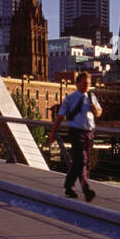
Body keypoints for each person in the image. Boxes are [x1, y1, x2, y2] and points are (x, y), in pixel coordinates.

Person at [48, 70, 102, 200]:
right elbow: (60, 117)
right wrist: (53, 133)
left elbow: (99, 113)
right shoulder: (70, 99)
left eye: (88, 84)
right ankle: (86, 189)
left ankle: (69, 186)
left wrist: (95, 109)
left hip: (89, 133)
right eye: (84, 84)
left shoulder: (91, 97)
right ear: (77, 83)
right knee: (82, 161)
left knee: (79, 162)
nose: (86, 86)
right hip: (76, 133)